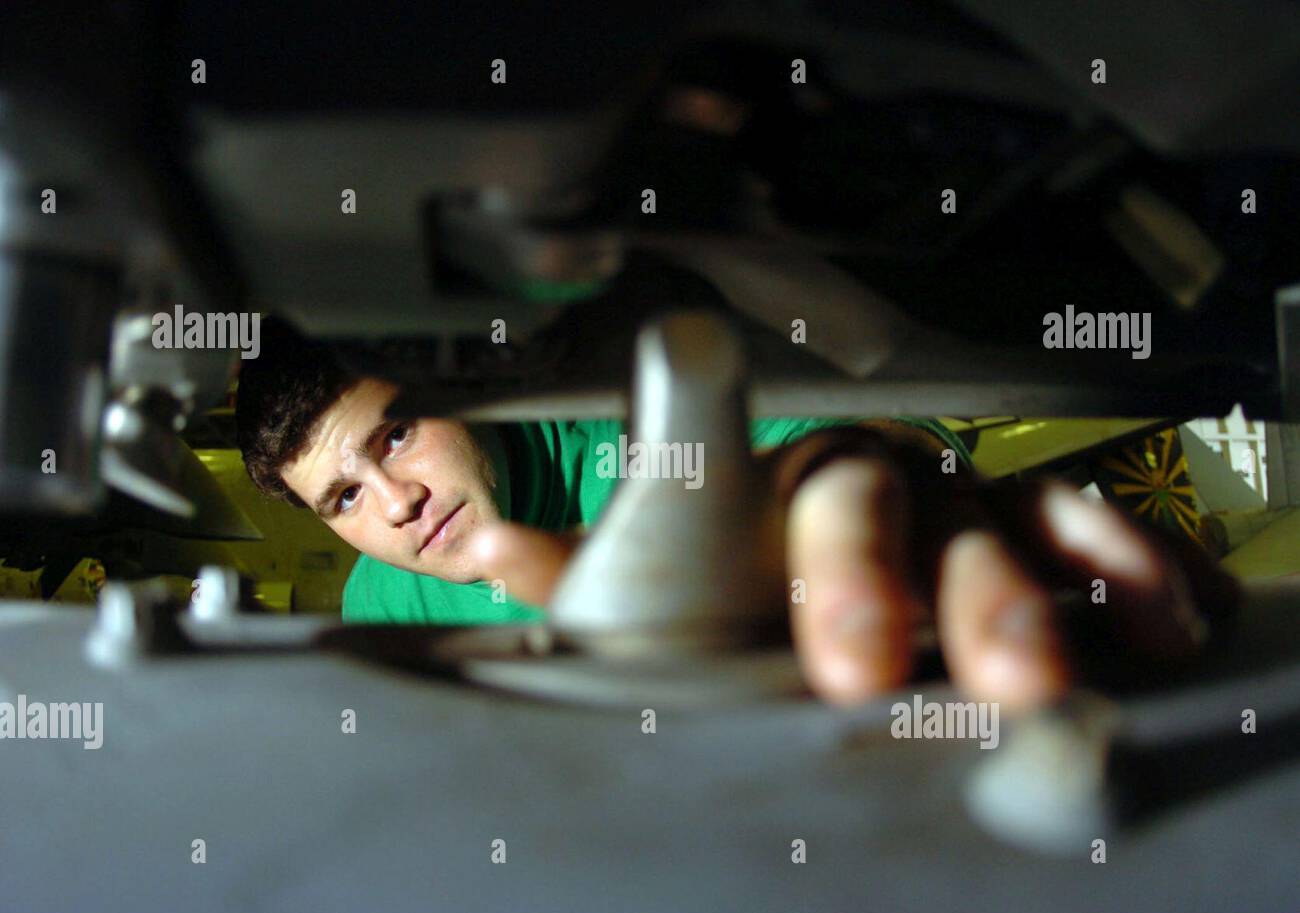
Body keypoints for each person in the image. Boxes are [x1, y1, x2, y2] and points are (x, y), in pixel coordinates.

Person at [236, 320, 1239, 708]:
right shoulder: (372, 614)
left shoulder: (630, 426)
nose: (399, 503)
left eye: (398, 433)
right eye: (345, 497)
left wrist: (857, 466)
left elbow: (864, 447)